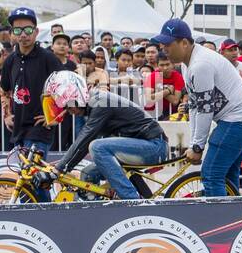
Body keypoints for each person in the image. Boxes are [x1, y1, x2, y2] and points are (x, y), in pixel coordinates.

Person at [150, 18, 242, 196]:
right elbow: (195, 106)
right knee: (225, 176)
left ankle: (222, 221)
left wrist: (197, 148)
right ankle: (232, 215)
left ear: (184, 43)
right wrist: (195, 144)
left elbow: (204, 110)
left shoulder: (200, 65)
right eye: (162, 45)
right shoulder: (189, 63)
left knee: (211, 175)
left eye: (167, 45)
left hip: (240, 121)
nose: (163, 50)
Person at [41, 71, 169, 199]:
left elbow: (84, 141)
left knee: (97, 147)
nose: (69, 112)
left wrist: (59, 169)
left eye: (68, 106)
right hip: (142, 145)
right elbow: (82, 145)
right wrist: (60, 167)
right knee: (88, 174)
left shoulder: (100, 102)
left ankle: (132, 199)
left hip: (155, 146)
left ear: (75, 95)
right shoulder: (94, 103)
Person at [0, 7, 66, 172]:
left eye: (28, 29)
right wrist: (6, 115)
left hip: (39, 130)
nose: (23, 34)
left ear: (36, 31)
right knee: (27, 180)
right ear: (12, 33)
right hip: (18, 129)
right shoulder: (10, 60)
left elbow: (67, 89)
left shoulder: (48, 58)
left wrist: (54, 115)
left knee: (32, 175)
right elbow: (4, 89)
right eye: (18, 30)